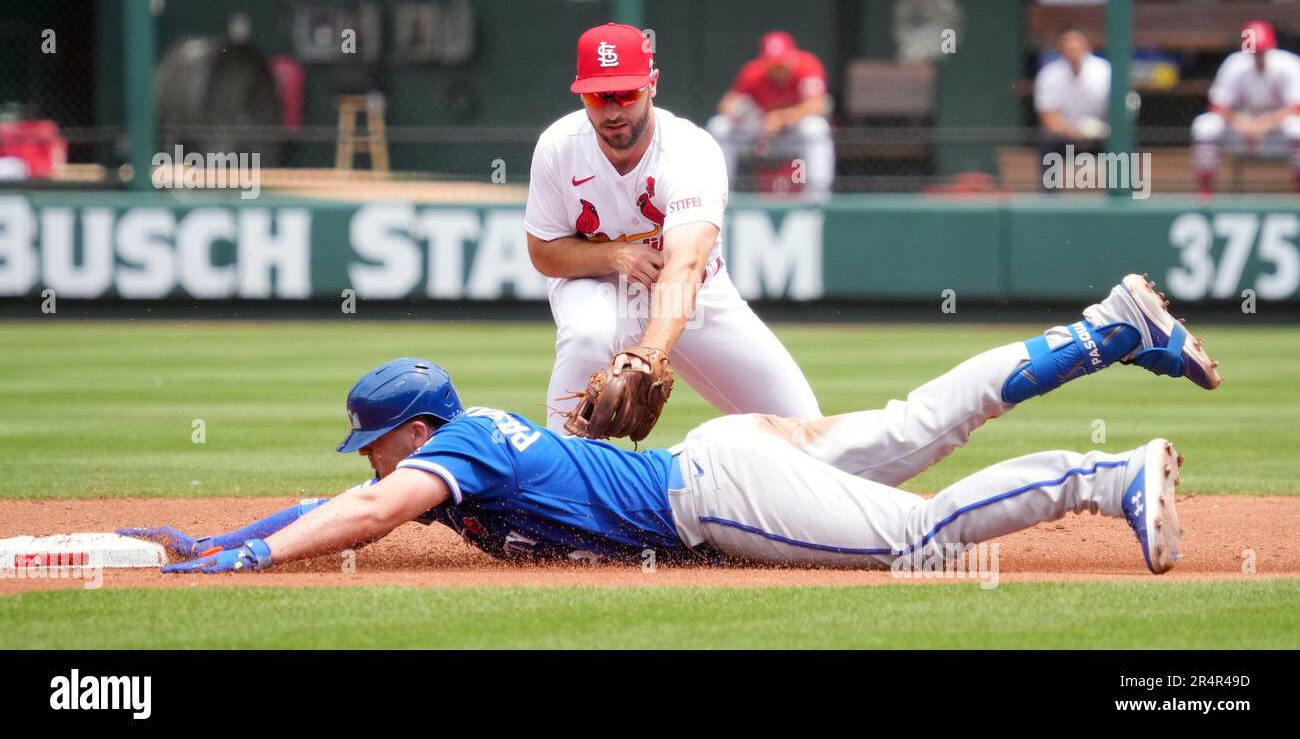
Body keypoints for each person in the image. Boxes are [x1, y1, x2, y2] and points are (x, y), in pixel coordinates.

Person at [124, 273, 1220, 576]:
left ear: (406, 433)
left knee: (917, 540)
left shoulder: (442, 458)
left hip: (717, 495)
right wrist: (226, 539)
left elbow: (365, 510)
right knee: (925, 419)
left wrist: (254, 555)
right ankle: (1105, 329)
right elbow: (345, 500)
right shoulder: (468, 440)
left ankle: (1104, 475)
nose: (368, 458)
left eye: (372, 439)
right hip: (721, 456)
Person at [523, 22, 820, 438]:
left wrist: (649, 354)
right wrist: (613, 256)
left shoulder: (689, 150)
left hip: (696, 296)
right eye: (597, 96)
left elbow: (686, 265)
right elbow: (543, 252)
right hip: (599, 284)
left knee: (805, 426)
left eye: (626, 93)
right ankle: (552, 487)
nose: (612, 111)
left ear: (652, 84)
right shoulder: (558, 146)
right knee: (588, 335)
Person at [706, 31, 835, 200]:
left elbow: (819, 105)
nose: (777, 68)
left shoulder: (807, 66)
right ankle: (718, 195)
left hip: (792, 135)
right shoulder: (753, 72)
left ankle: (818, 197)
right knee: (719, 125)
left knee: (816, 127)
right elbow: (726, 105)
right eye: (772, 64)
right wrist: (744, 113)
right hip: (759, 134)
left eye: (781, 63)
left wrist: (782, 117)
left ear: (792, 58)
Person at [1191, 20, 1300, 196]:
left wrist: (1263, 125)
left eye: (1261, 50)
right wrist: (1244, 124)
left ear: (1271, 46)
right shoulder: (1235, 64)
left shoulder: (1289, 64)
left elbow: (1296, 108)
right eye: (1254, 51)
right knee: (1204, 124)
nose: (1258, 55)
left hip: (1276, 135)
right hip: (1241, 132)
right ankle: (1205, 193)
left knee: (1297, 126)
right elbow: (1217, 106)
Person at [1034, 27, 1111, 191]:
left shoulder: (1105, 71)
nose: (1072, 50)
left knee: (1122, 143)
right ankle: (1048, 200)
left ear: (1088, 47)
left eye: (1076, 46)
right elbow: (1049, 117)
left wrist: (1099, 131)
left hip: (1102, 135)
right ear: (1060, 49)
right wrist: (1076, 132)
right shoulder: (1049, 74)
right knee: (1048, 143)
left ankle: (1122, 196)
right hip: (1066, 135)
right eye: (1067, 47)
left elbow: (1118, 115)